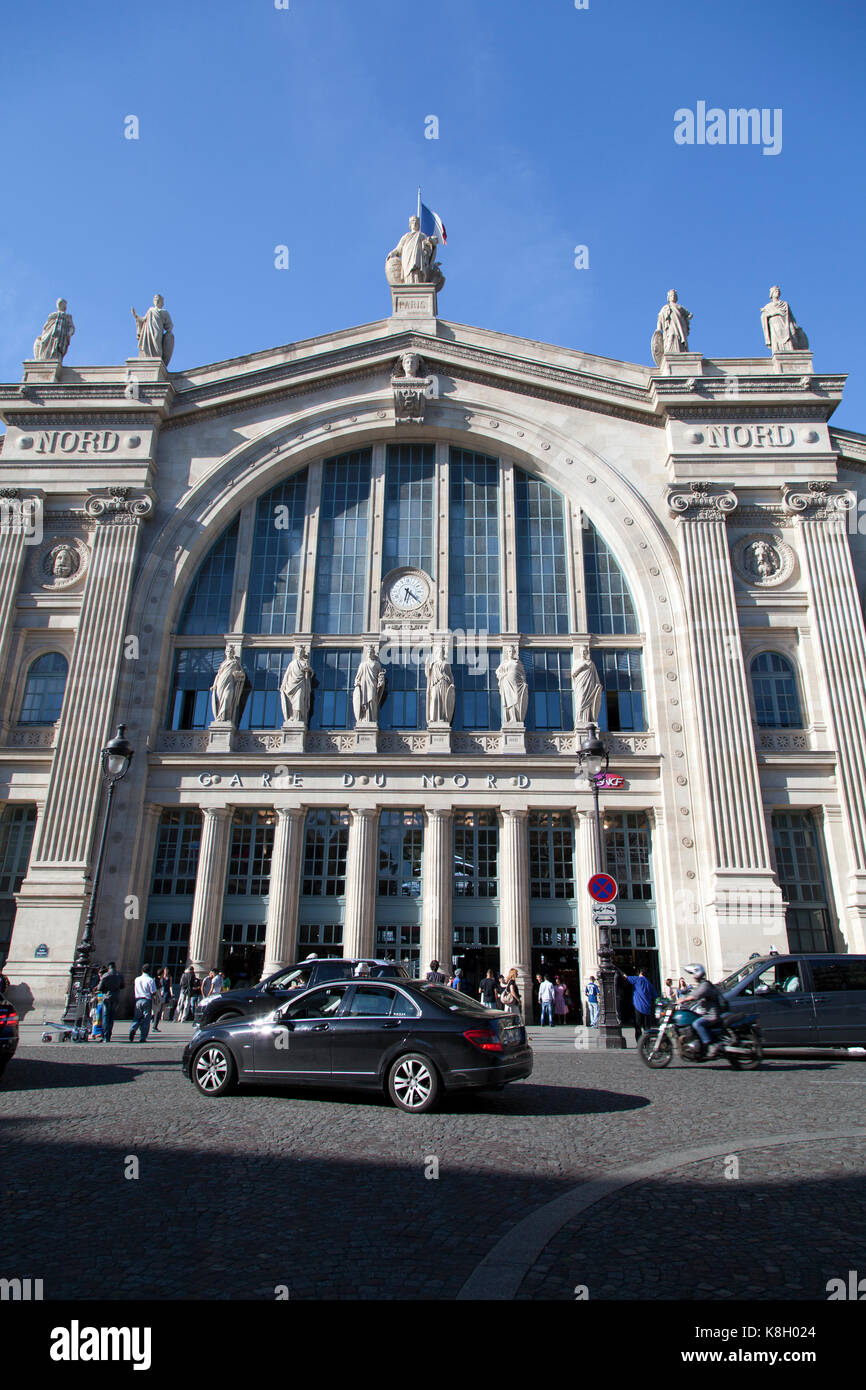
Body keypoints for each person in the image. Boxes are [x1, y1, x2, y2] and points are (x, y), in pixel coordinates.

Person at [677, 963, 726, 1058]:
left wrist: (683, 999)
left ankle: (709, 1045)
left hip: (712, 1015)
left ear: (698, 973)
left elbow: (695, 995)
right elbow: (694, 994)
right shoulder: (701, 985)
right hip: (705, 1013)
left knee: (697, 1024)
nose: (692, 976)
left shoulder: (705, 985)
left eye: (693, 973)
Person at [623, 968, 658, 1042]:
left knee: (638, 1025)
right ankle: (647, 1042)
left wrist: (620, 972)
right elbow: (655, 996)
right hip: (647, 1008)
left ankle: (639, 1042)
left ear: (640, 973)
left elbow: (625, 977)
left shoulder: (637, 979)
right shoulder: (649, 983)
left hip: (638, 1006)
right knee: (647, 1027)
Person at [129, 964, 157, 1042]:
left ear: (142, 970)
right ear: (149, 971)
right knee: (146, 1019)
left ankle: (133, 1028)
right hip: (147, 999)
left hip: (138, 999)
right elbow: (153, 992)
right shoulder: (150, 980)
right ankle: (142, 1037)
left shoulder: (137, 979)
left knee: (137, 1017)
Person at [97, 961, 124, 1042]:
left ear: (109, 968)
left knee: (105, 1016)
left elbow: (100, 988)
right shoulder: (119, 975)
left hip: (106, 997)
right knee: (112, 1017)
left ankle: (105, 1036)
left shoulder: (106, 975)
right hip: (115, 996)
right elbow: (122, 986)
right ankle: (109, 1034)